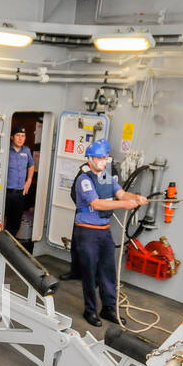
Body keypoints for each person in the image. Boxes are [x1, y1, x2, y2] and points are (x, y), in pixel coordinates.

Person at [71, 139, 147, 328]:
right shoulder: (84, 179)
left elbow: (121, 194)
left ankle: (109, 308)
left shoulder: (108, 178)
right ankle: (90, 311)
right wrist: (124, 204)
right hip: (87, 233)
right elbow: (97, 204)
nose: (102, 161)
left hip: (104, 232)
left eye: (104, 157)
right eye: (99, 158)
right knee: (89, 273)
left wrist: (135, 197)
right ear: (90, 159)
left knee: (108, 272)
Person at [4, 124, 36, 239]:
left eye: (23, 136)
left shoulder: (26, 151)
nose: (20, 138)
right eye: (18, 135)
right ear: (12, 137)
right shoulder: (7, 151)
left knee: (16, 221)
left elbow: (31, 166)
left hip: (20, 193)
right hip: (6, 192)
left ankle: (10, 241)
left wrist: (29, 181)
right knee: (4, 218)